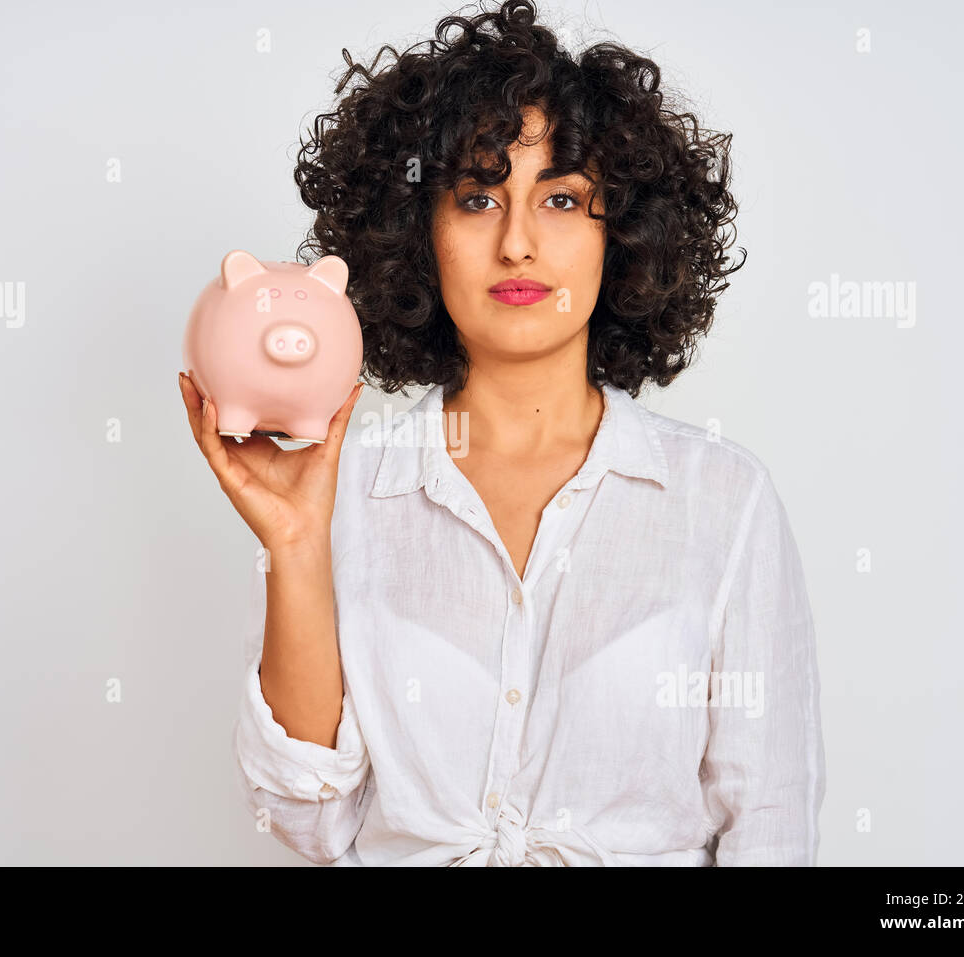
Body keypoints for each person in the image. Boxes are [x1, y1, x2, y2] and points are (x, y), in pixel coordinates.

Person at [179, 0, 825, 866]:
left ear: (622, 231)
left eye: (561, 198)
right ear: (419, 232)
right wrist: (297, 546)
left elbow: (773, 821)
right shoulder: (344, 490)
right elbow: (308, 822)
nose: (518, 243)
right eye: (478, 197)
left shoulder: (722, 501)